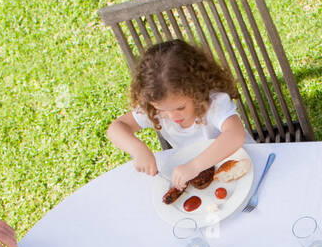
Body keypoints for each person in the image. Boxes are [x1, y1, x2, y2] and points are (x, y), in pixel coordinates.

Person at [106, 38, 248, 192]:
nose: (172, 116)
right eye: (161, 109)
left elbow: (235, 135)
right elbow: (116, 128)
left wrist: (195, 166)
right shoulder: (156, 107)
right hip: (209, 179)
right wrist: (137, 149)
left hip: (244, 163)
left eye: (180, 108)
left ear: (198, 90)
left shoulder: (213, 102)